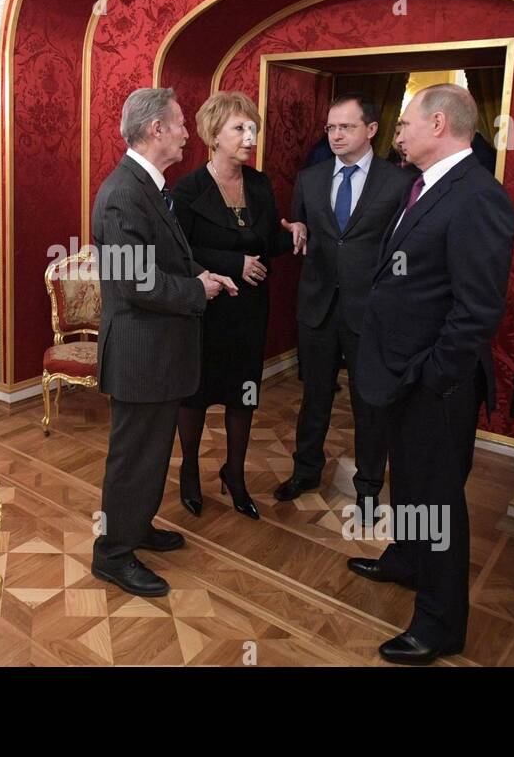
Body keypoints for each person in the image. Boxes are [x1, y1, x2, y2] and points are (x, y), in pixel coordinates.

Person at [349, 83, 514, 665]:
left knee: (439, 500)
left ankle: (441, 623)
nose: (396, 135)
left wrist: (431, 375)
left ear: (439, 124)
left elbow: (477, 310)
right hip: (401, 373)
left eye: (403, 125)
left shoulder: (477, 197)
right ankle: (407, 560)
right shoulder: (425, 186)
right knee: (412, 481)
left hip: (435, 384)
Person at [90, 87, 237, 598]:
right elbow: (136, 282)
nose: (184, 133)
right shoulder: (123, 194)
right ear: (155, 129)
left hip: (158, 352)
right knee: (133, 457)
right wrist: (198, 289)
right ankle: (111, 553)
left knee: (151, 454)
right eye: (178, 123)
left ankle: (137, 527)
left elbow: (168, 260)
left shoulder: (148, 185)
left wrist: (203, 271)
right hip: (140, 355)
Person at [276, 94, 414, 520]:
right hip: (318, 307)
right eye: (331, 128)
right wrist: (296, 228)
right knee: (314, 396)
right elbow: (301, 231)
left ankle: (369, 487)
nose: (336, 135)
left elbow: (405, 246)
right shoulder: (310, 179)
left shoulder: (399, 182)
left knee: (368, 402)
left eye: (346, 127)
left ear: (371, 129)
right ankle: (305, 471)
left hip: (370, 311)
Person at [171, 91, 303, 519]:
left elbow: (267, 243)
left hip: (248, 312)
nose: (250, 138)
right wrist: (233, 262)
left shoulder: (260, 184)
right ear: (213, 134)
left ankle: (236, 475)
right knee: (194, 396)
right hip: (204, 310)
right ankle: (189, 473)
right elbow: (179, 252)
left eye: (253, 129)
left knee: (243, 396)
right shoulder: (188, 189)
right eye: (240, 129)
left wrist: (296, 230)